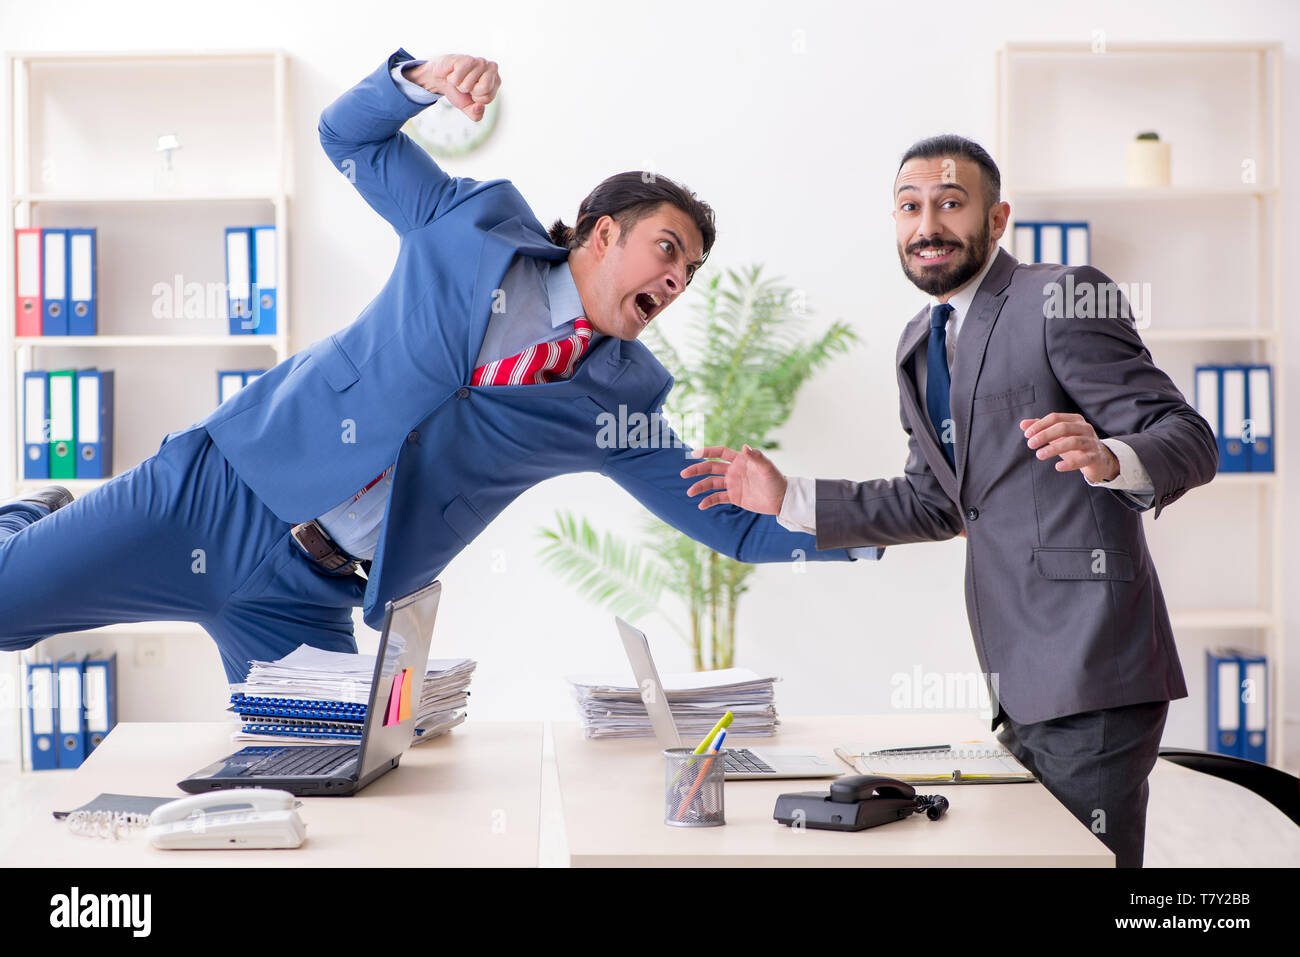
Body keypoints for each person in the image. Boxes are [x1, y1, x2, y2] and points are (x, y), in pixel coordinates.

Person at [0, 47, 874, 684]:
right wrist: (420, 83)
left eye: (688, 276)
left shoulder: (621, 403)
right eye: (667, 252)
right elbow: (349, 138)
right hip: (224, 495)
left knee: (330, 793)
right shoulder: (470, 223)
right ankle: (28, 518)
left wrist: (896, 519)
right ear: (604, 233)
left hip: (310, 595)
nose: (677, 281)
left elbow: (733, 524)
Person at [681, 134, 1217, 867]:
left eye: (949, 203)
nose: (926, 223)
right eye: (910, 206)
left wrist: (1110, 455)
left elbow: (1188, 435)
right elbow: (937, 503)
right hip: (1016, 681)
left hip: (1096, 672)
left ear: (997, 221)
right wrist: (790, 497)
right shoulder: (919, 344)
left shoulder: (1057, 296)